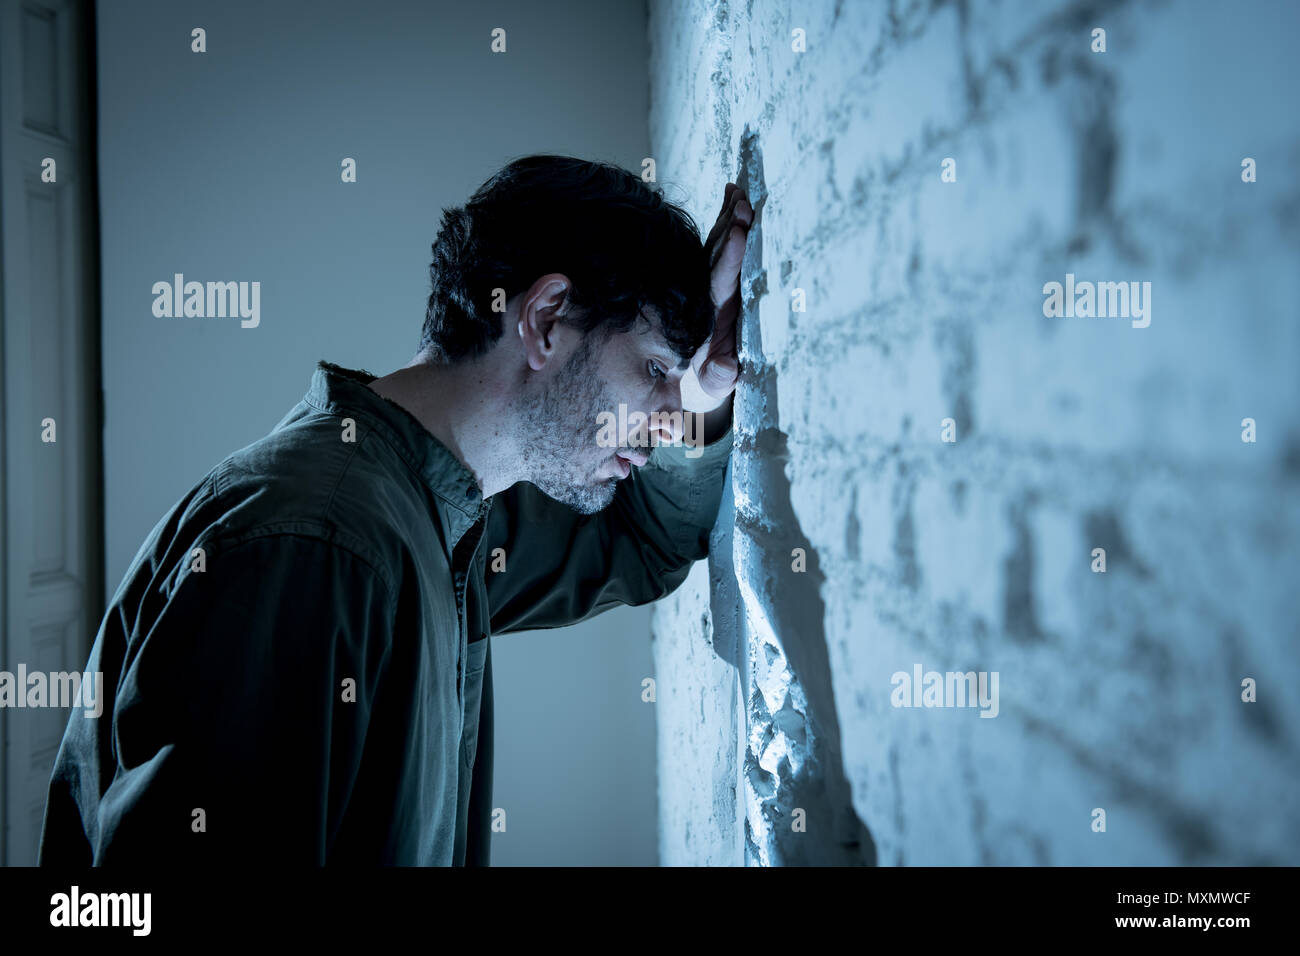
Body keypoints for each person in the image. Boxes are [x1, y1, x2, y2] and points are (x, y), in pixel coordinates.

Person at [38, 154, 753, 865]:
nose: (666, 416)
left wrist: (698, 394)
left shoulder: (441, 516)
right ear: (544, 319)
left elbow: (642, 539)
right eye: (655, 369)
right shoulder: (321, 545)